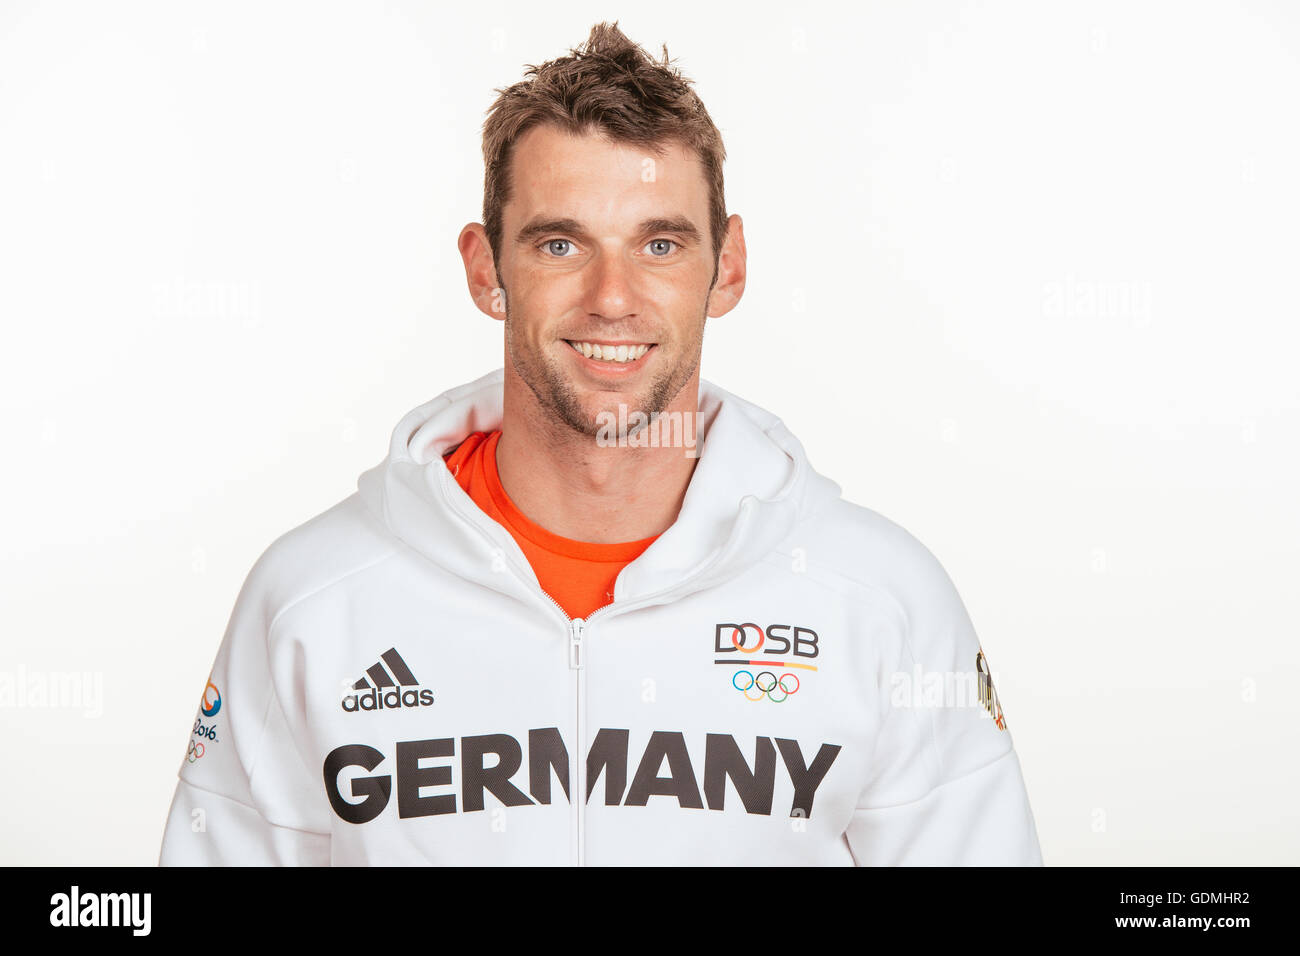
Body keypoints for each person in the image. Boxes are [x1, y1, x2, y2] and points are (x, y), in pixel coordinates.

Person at [158, 20, 1043, 866]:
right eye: (559, 244)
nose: (612, 296)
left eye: (660, 243)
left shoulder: (878, 599)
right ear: (485, 268)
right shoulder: (314, 599)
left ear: (727, 267)